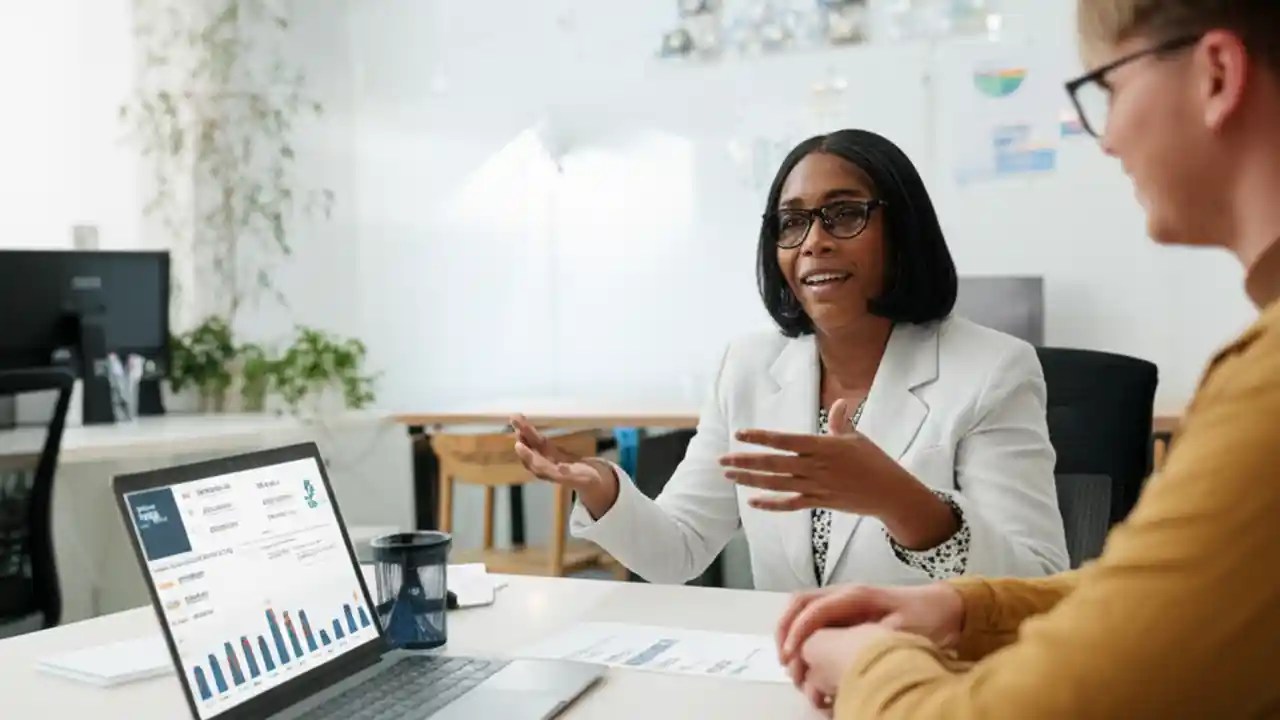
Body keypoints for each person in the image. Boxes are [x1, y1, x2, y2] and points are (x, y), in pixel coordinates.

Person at [777, 2, 1280, 717]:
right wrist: (963, 609)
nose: (1105, 141)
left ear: (1218, 75)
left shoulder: (1264, 388)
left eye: (1108, 88)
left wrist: (872, 663)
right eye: (794, 223)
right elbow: (1157, 595)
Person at [512, 129, 1068, 592]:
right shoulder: (749, 366)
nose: (813, 242)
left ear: (902, 234)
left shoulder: (993, 370)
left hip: (929, 679)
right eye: (792, 222)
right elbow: (677, 551)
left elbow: (1038, 588)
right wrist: (603, 489)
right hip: (790, 677)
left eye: (844, 214)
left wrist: (902, 502)